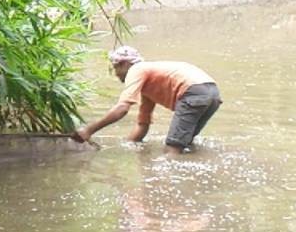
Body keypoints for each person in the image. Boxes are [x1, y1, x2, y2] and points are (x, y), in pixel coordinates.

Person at [72, 46, 221, 155]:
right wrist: (127, 145)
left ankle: (169, 189)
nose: (116, 75)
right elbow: (143, 125)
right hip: (212, 94)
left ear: (124, 64)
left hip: (193, 92)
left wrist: (88, 130)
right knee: (185, 143)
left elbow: (122, 108)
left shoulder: (136, 70)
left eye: (115, 68)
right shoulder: (149, 82)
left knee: (172, 148)